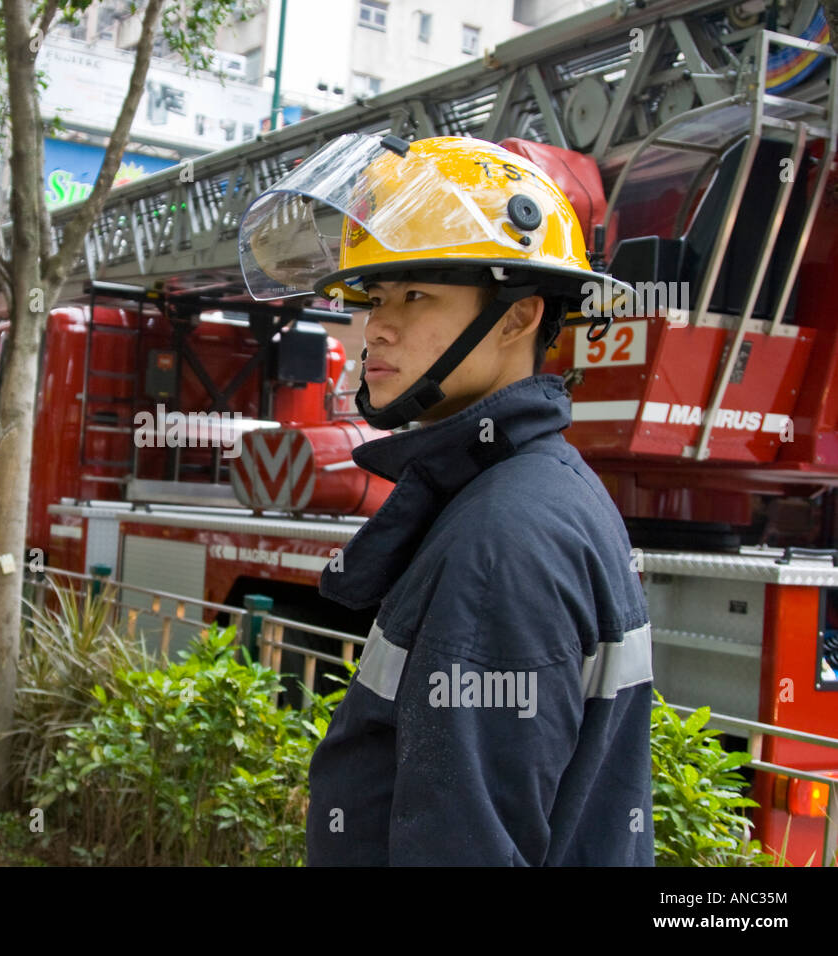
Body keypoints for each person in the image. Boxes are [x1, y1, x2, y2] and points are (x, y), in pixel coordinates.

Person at [239, 134, 654, 865]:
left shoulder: (503, 539)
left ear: (519, 316)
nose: (377, 327)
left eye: (417, 292)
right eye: (374, 296)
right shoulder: (526, 491)